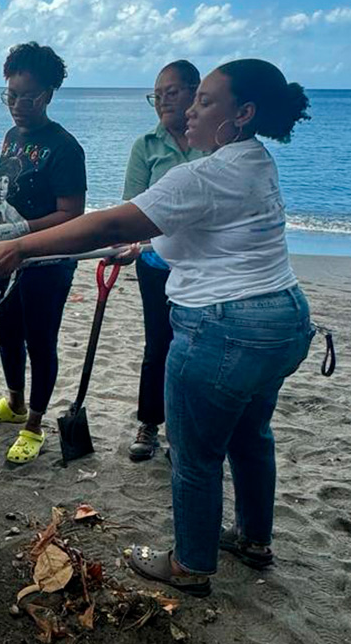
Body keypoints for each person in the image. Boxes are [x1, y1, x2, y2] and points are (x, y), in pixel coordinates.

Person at [0, 59, 314, 595]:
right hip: (283, 321)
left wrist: (19, 246)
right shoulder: (256, 161)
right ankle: (253, 539)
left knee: (195, 456)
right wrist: (142, 244)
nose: (190, 110)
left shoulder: (202, 175)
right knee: (252, 437)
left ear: (243, 113)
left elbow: (109, 221)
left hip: (223, 329)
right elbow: (206, 233)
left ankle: (191, 565)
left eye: (205, 101)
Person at [0, 42, 86, 464]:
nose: (17, 106)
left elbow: (72, 214)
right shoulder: (12, 137)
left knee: (40, 340)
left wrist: (23, 230)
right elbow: (6, 188)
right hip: (7, 257)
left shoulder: (65, 148)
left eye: (28, 97)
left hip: (46, 262)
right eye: (11, 95)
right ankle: (14, 403)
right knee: (7, 330)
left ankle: (33, 424)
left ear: (48, 95)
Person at [122, 60, 206, 461]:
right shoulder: (146, 146)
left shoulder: (212, 142)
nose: (162, 102)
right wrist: (131, 244)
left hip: (205, 267)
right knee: (159, 344)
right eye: (155, 96)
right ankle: (149, 423)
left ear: (194, 92)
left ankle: (184, 430)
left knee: (197, 348)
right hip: (155, 263)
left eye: (171, 93)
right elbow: (133, 207)